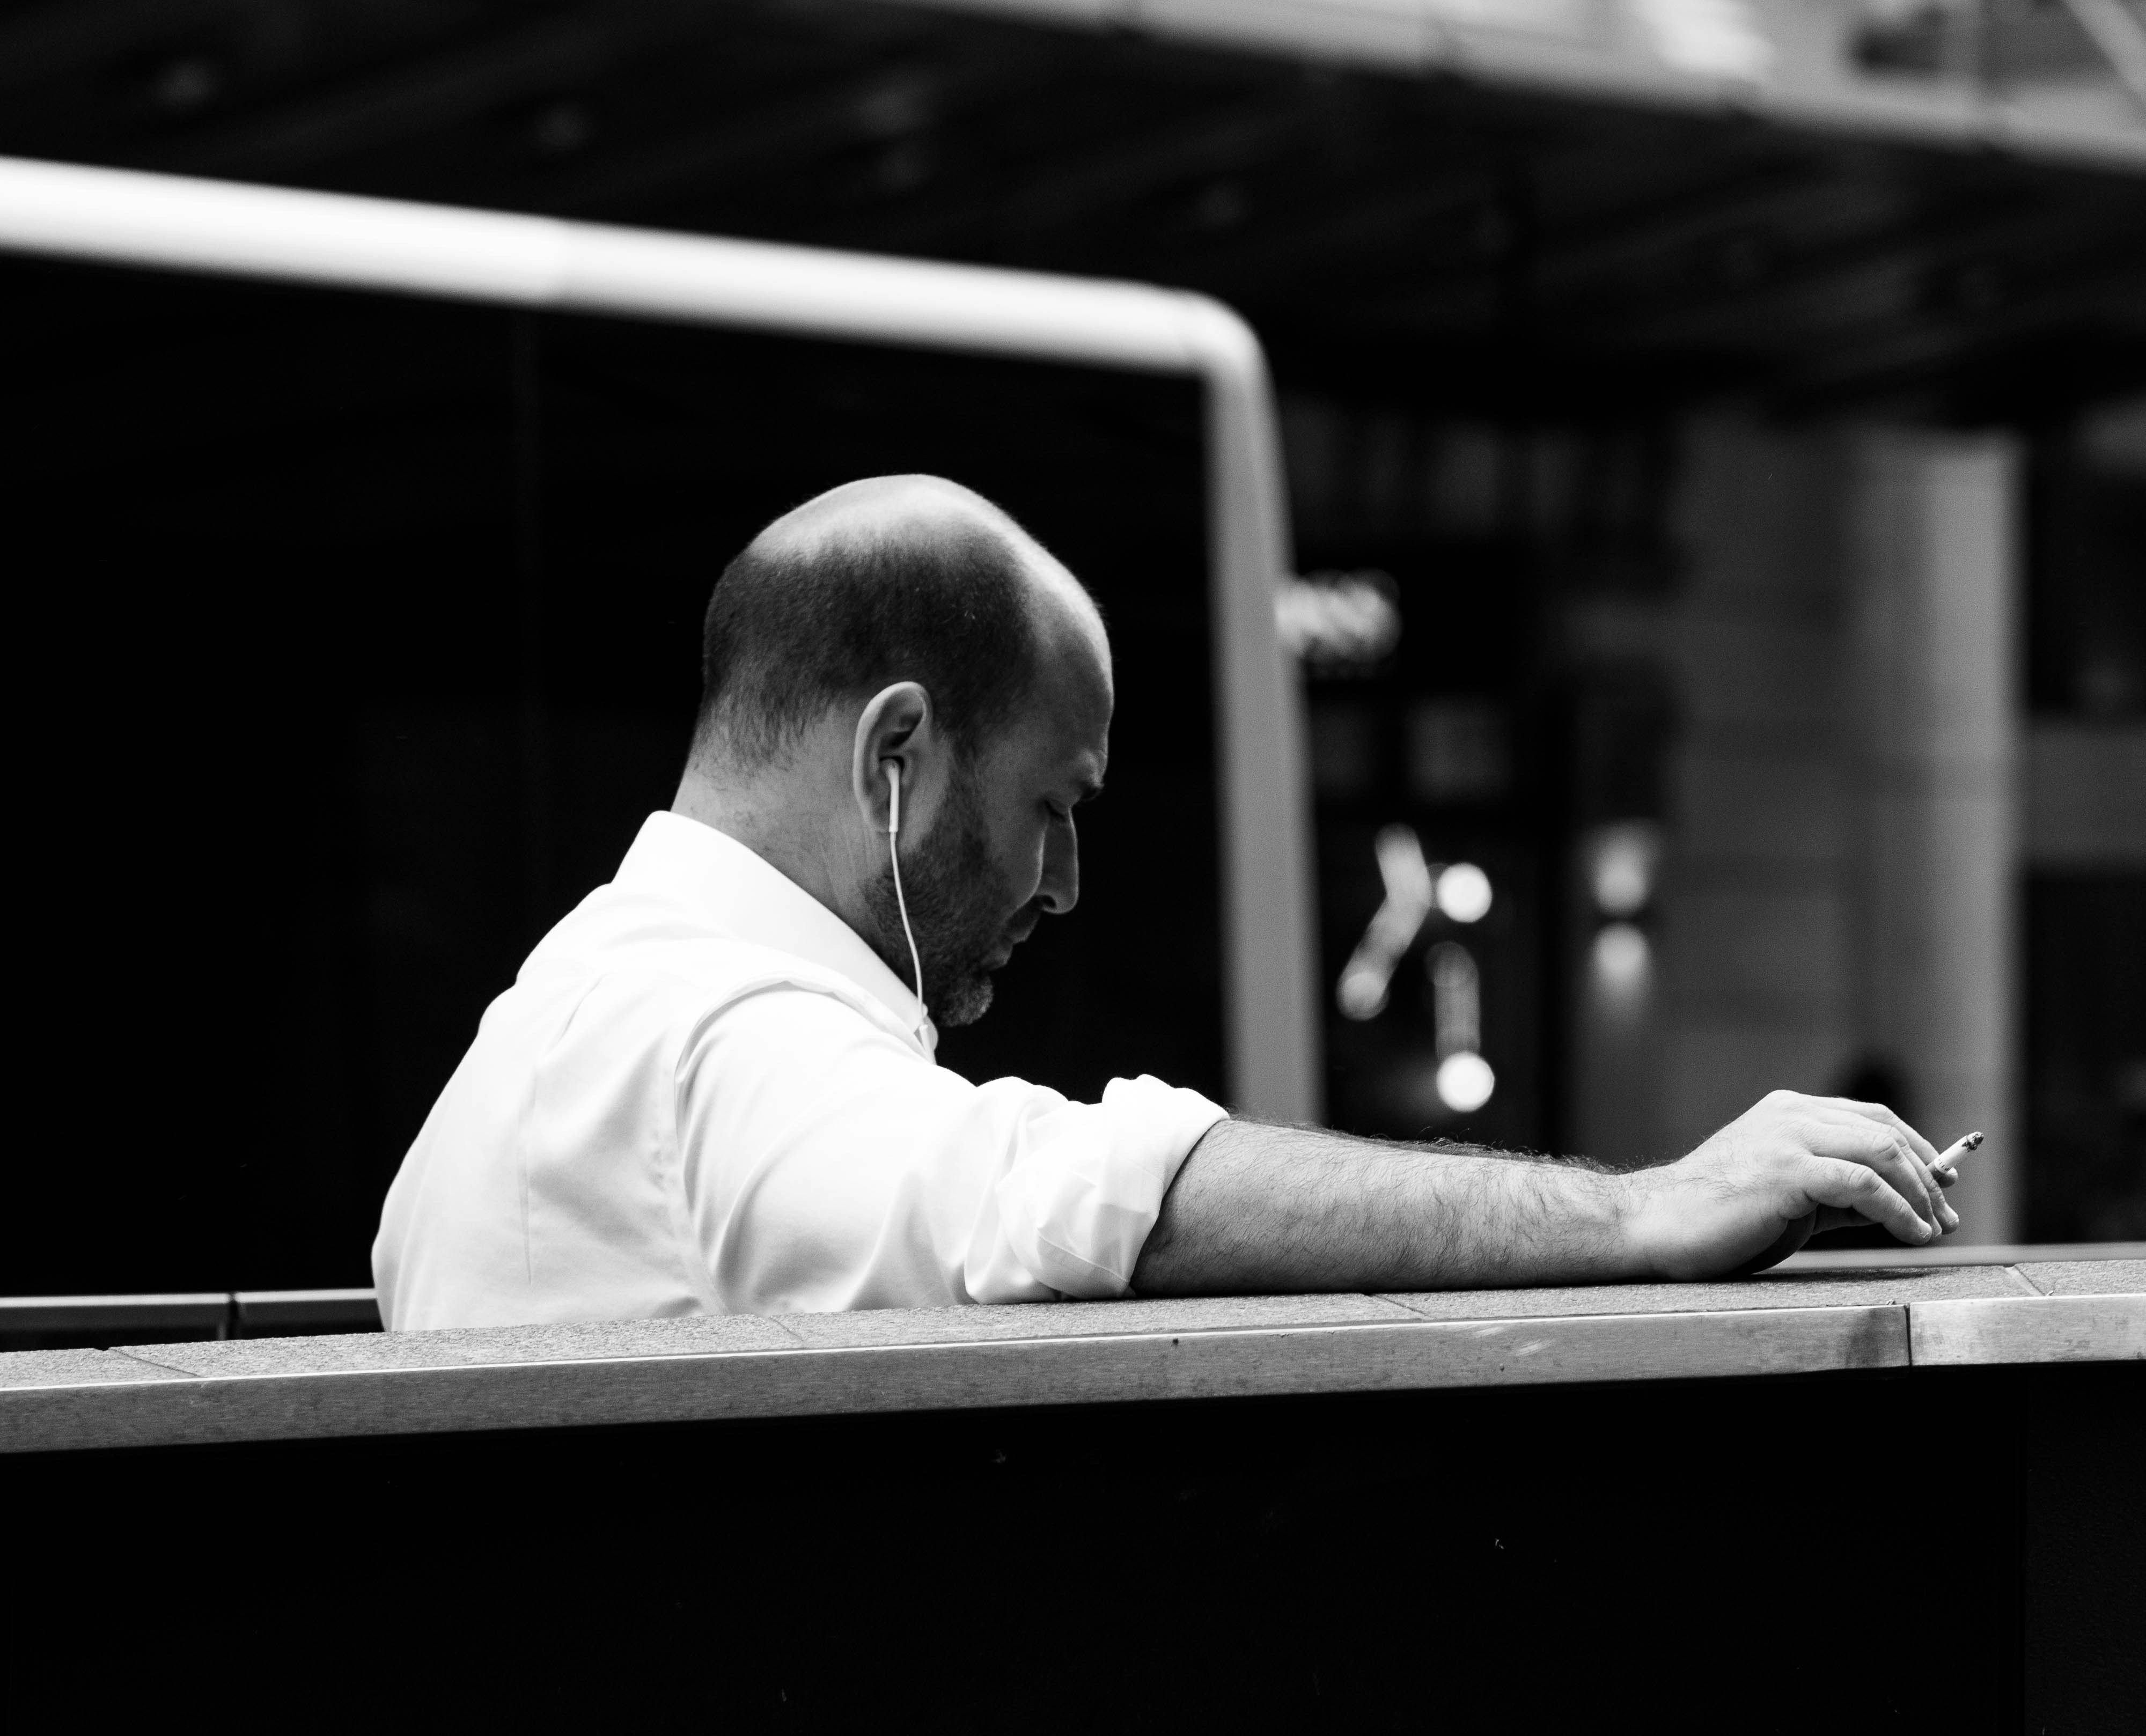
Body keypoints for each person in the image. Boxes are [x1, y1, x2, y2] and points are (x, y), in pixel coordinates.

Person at [373, 475, 1959, 1330]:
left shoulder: (567, 1015)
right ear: (898, 754)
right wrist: (1640, 1213)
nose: (1063, 883)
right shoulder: (716, 1045)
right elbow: (1080, 1194)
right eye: (1050, 808)